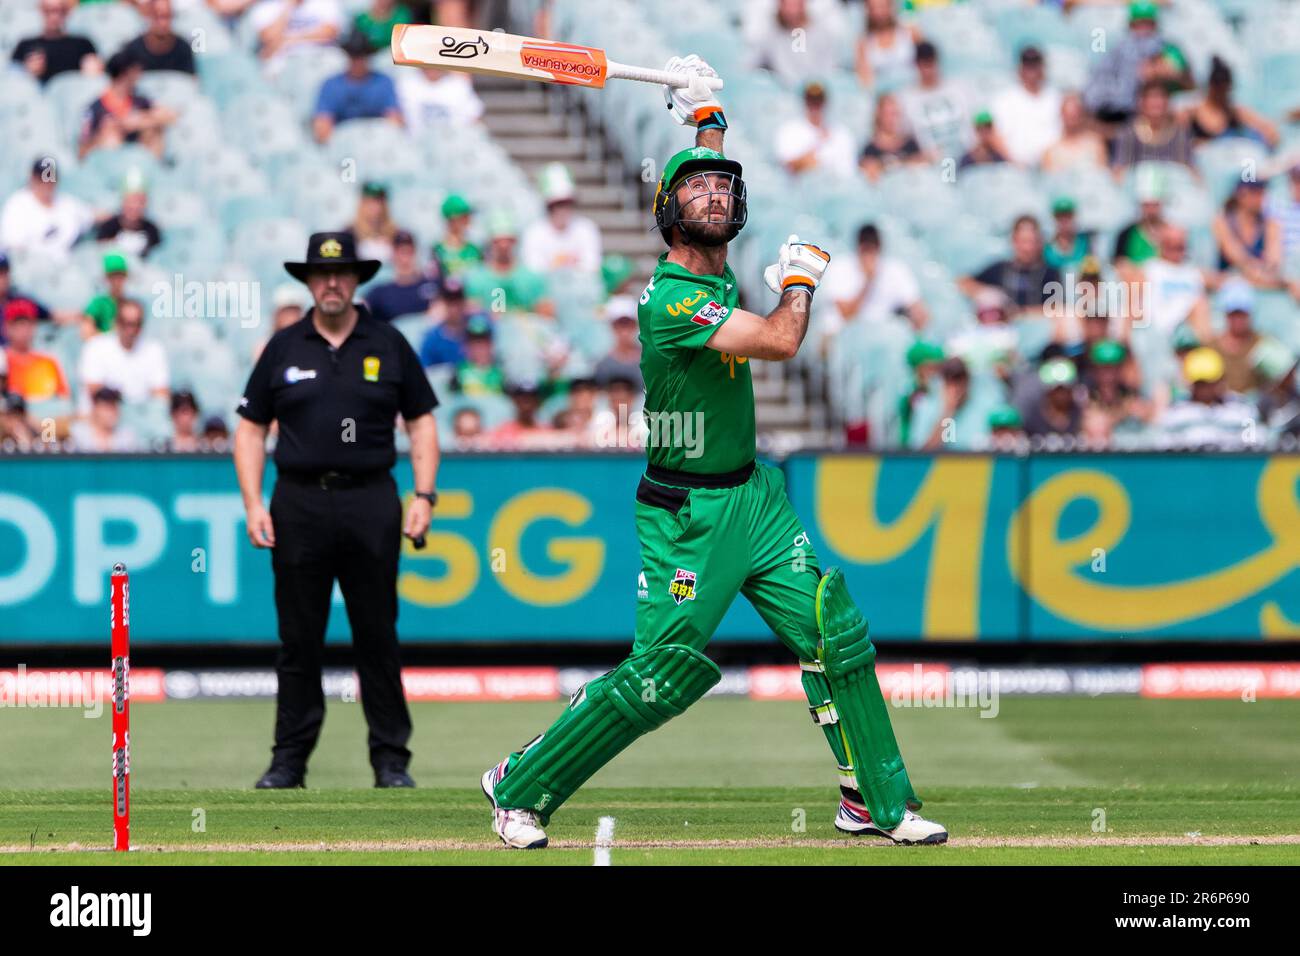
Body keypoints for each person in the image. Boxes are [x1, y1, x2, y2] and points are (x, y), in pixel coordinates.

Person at [481, 55, 946, 850]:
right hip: (687, 514)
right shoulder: (672, 298)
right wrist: (799, 278)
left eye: (726, 187)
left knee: (839, 634)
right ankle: (519, 784)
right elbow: (778, 339)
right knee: (664, 678)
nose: (715, 193)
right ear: (667, 212)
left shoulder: (718, 264)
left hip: (756, 499)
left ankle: (875, 802)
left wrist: (703, 113)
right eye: (697, 187)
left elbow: (711, 172)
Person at [234, 232, 439, 789]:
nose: (331, 283)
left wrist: (423, 495)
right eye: (322, 274)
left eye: (342, 273)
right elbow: (250, 429)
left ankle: (391, 761)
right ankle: (289, 761)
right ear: (307, 281)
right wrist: (253, 502)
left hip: (371, 498)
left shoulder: (388, 342)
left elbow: (421, 420)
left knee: (378, 633)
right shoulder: (284, 346)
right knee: (299, 638)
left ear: (356, 280)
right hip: (298, 500)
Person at [823, 222, 927, 341]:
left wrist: (916, 317)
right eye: (866, 250)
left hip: (881, 337)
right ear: (858, 248)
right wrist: (868, 281)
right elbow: (847, 314)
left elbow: (919, 311)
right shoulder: (840, 267)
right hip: (843, 336)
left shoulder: (896, 270)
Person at [79, 50, 177, 161]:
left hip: (140, 158)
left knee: (154, 131)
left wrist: (139, 120)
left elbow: (171, 116)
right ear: (124, 73)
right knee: (111, 136)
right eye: (136, 71)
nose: (139, 76)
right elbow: (82, 152)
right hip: (109, 161)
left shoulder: (140, 101)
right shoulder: (95, 107)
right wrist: (103, 133)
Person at [77, 298, 170, 413]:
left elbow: (160, 394)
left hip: (140, 419)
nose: (131, 330)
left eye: (136, 324)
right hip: (103, 417)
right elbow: (95, 391)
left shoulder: (154, 349)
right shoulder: (95, 347)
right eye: (126, 323)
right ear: (116, 323)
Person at [1155, 347, 1256, 450]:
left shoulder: (1241, 409)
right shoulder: (1176, 413)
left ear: (1221, 379)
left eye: (1210, 382)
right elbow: (1165, 448)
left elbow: (1255, 444)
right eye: (1201, 383)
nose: (1206, 389)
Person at [960, 215, 1061, 317]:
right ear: (1014, 241)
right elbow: (963, 282)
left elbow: (1058, 308)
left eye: (1032, 242)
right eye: (1023, 241)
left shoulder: (1050, 273)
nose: (1027, 248)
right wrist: (991, 295)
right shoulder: (1001, 268)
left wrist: (1020, 312)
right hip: (1002, 328)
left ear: (1040, 243)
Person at [312, 31, 402, 144]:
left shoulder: (383, 82)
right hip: (343, 146)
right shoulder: (331, 85)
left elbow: (394, 122)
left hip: (376, 144)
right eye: (354, 56)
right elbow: (322, 127)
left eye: (362, 55)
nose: (358, 61)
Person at [0, 159, 94, 265]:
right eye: (42, 178)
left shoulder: (67, 203)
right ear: (33, 178)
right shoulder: (17, 206)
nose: (47, 183)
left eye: (50, 178)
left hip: (65, 266)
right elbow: (12, 247)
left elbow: (92, 215)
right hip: (32, 268)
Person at [520, 164, 603, 275]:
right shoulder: (534, 233)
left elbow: (592, 266)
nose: (563, 209)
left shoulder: (586, 228)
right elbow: (534, 270)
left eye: (567, 203)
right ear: (548, 206)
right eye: (558, 204)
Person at [899, 41, 971, 162]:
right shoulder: (907, 98)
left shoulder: (958, 89)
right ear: (916, 66)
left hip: (965, 155)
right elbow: (905, 136)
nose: (928, 70)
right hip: (933, 160)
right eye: (924, 64)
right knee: (947, 171)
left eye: (931, 63)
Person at [1184, 56, 1278, 149]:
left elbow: (1267, 128)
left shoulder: (1235, 112)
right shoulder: (1192, 114)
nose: (1223, 95)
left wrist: (1270, 136)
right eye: (1220, 91)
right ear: (1211, 88)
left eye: (1226, 91)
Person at [990, 46, 1061, 168]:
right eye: (1028, 65)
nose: (1032, 71)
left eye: (1035, 65)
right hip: (1016, 168)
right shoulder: (1004, 99)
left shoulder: (1056, 98)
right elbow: (993, 134)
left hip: (1053, 167)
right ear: (1020, 68)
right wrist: (1015, 162)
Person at [775, 82, 857, 180]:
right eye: (811, 102)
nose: (815, 107)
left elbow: (847, 172)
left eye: (819, 102)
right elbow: (788, 167)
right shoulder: (789, 131)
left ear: (825, 103)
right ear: (805, 102)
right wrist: (815, 149)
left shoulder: (841, 133)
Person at [1110, 81, 1194, 176]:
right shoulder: (1128, 133)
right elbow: (1119, 170)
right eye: (1152, 98)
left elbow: (1187, 169)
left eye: (1160, 98)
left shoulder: (1179, 133)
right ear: (1142, 102)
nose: (1157, 103)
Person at [11, 0, 101, 86]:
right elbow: (12, 80)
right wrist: (27, 73)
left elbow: (96, 78)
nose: (54, 16)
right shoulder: (26, 45)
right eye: (48, 10)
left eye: (60, 10)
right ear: (41, 11)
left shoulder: (83, 44)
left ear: (67, 12)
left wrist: (92, 72)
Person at [1213, 180, 1284, 289]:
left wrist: (1260, 272)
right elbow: (1235, 256)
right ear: (1241, 194)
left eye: (1262, 193)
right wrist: (1254, 270)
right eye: (1255, 193)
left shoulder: (1270, 223)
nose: (1260, 198)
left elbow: (1274, 259)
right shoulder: (1222, 221)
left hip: (1260, 281)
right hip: (1229, 286)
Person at [3, 300, 70, 403]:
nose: (23, 330)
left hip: (45, 417)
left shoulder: (48, 361)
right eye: (18, 324)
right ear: (7, 327)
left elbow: (63, 400)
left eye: (28, 324)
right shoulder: (2, 360)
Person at [364, 229, 438, 322]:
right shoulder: (381, 292)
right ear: (393, 255)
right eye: (401, 253)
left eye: (409, 252)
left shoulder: (432, 284)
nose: (405, 259)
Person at [250, 0, 343, 73]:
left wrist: (288, 40)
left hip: (320, 57)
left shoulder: (324, 2)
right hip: (282, 62)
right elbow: (269, 38)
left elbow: (330, 32)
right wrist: (288, 6)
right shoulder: (266, 7)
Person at [858, 91, 925, 183]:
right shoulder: (870, 150)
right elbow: (870, 174)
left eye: (895, 114)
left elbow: (921, 166)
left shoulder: (910, 144)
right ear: (879, 115)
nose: (892, 119)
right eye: (888, 114)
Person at [855, 0, 921, 91]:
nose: (878, 12)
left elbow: (926, 62)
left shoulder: (911, 31)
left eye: (882, 7)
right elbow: (865, 79)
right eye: (872, 8)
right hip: (884, 96)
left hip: (914, 90)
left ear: (891, 6)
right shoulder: (863, 42)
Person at [397, 64, 484, 132]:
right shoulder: (405, 83)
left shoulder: (459, 84)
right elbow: (396, 117)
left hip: (454, 146)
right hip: (415, 147)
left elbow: (474, 118)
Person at [94, 175, 162, 259]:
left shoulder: (152, 231)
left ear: (146, 203)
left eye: (140, 201)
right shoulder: (108, 228)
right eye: (131, 200)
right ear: (123, 201)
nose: (135, 206)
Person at [119, 0, 196, 74]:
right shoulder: (133, 51)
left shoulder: (183, 50)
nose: (162, 23)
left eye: (166, 16)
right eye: (157, 16)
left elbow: (191, 82)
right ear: (149, 16)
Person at [1041, 92, 1108, 174]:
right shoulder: (1051, 152)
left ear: (1082, 115)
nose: (1072, 121)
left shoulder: (1095, 144)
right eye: (1068, 116)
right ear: (1061, 116)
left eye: (1074, 116)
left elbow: (1102, 177)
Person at [593, 295, 644, 393]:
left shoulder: (649, 360)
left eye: (628, 324)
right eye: (620, 324)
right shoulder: (603, 364)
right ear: (612, 326)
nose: (625, 331)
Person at [69, 387, 142, 452]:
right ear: (95, 408)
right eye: (107, 407)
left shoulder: (126, 436)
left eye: (114, 407)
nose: (112, 413)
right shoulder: (78, 434)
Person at [432, 193, 483, 277]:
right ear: (452, 219)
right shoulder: (437, 250)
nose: (469, 220)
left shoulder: (475, 250)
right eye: (465, 216)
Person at [83, 253, 132, 336]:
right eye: (113, 276)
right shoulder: (98, 304)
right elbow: (86, 333)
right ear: (106, 278)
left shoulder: (130, 304)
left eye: (120, 275)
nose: (117, 280)